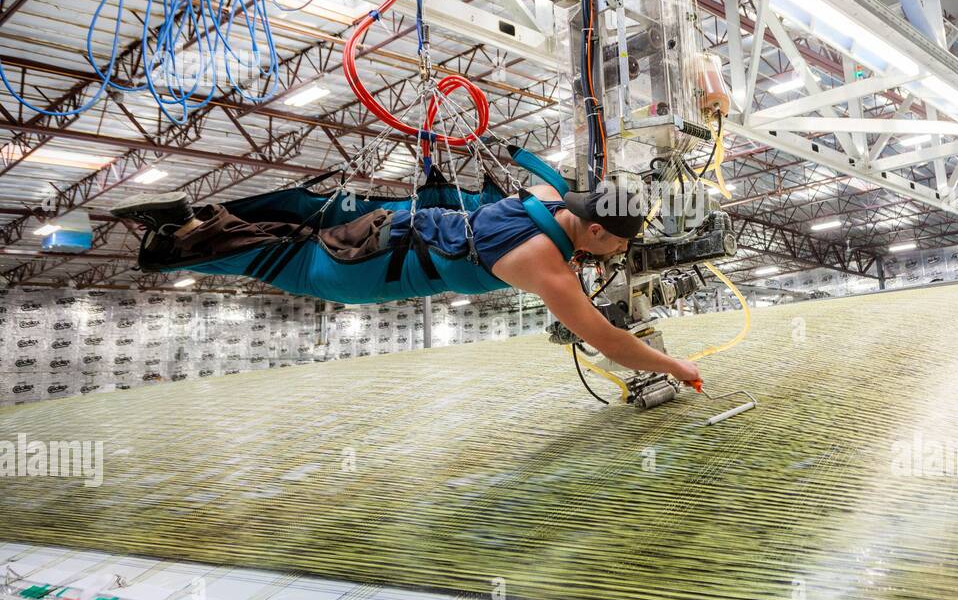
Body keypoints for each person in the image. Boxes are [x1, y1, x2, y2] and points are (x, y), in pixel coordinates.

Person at [111, 176, 702, 387]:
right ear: (595, 231)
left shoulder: (549, 199)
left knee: (289, 224)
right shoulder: (542, 266)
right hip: (374, 273)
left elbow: (533, 193)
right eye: (620, 241)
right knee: (272, 260)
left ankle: (191, 219)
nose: (624, 251)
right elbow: (608, 340)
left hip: (391, 222)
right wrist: (678, 366)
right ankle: (180, 231)